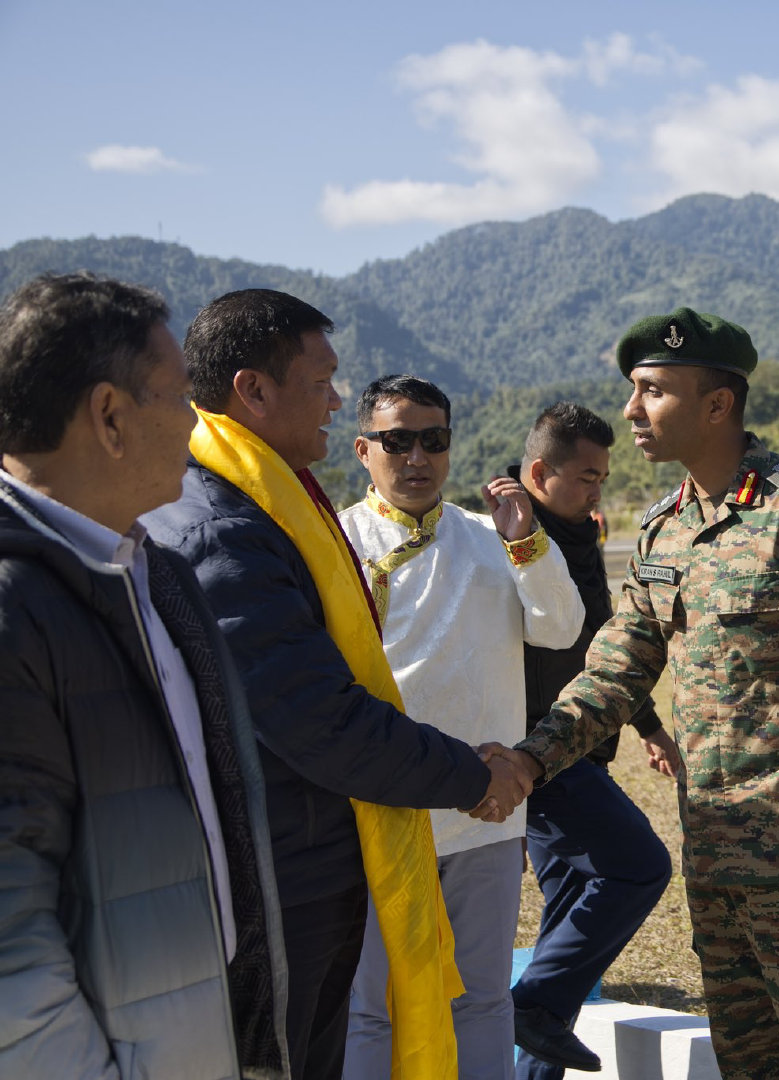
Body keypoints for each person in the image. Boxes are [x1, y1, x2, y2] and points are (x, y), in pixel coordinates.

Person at [497, 309, 779, 1080]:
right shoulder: (662, 530)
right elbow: (614, 669)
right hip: (713, 851)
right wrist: (528, 760)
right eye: (631, 391)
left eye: (650, 391)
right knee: (744, 1058)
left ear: (716, 405)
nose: (629, 410)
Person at [145, 290, 534, 1080]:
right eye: (320, 380)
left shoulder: (254, 502)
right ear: (253, 389)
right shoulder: (224, 527)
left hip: (307, 846)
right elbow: (316, 715)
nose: (331, 399)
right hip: (281, 873)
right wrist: (469, 773)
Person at [0, 272, 288, 1078]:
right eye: (181, 397)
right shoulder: (14, 608)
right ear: (109, 416)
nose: (198, 426)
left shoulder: (150, 572)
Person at [337, 376, 586, 1079]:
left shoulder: (495, 539)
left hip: (486, 811)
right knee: (370, 1007)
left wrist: (526, 541)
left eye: (434, 440)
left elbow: (561, 627)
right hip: (374, 811)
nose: (417, 457)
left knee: (479, 1000)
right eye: (397, 441)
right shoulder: (334, 544)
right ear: (364, 449)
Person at [507, 402, 678, 1077]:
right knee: (639, 866)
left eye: (603, 478)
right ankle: (534, 1009)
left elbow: (600, 644)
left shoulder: (576, 532)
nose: (595, 492)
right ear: (539, 471)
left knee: (571, 919)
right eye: (584, 477)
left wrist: (648, 725)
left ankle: (533, 1057)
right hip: (536, 752)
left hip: (579, 745)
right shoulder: (506, 535)